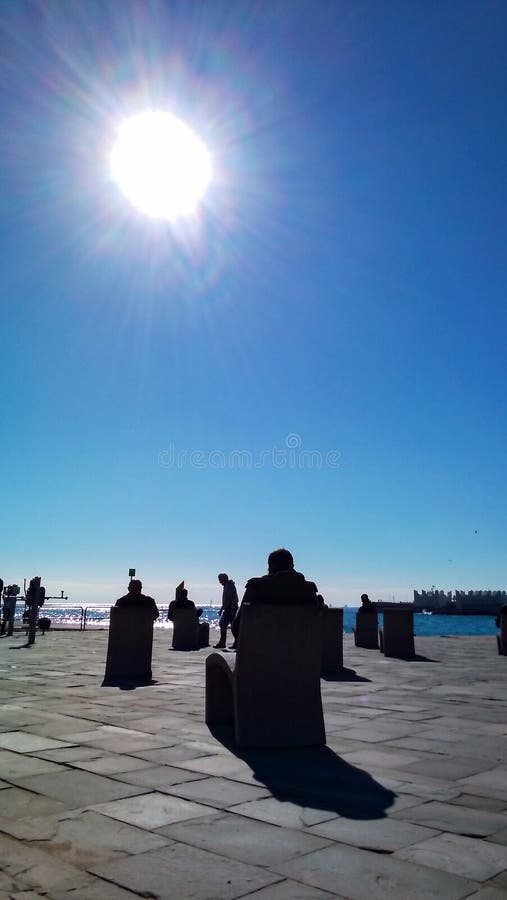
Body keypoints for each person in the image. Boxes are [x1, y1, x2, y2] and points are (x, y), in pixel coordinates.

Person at [229, 548, 324, 647]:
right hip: (302, 656)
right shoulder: (309, 590)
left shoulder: (256, 587)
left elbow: (237, 628)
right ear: (292, 566)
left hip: (260, 654)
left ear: (270, 567)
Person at [214, 573, 239, 648]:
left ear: (223, 579)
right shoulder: (228, 586)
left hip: (230, 608)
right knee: (232, 626)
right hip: (230, 608)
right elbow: (226, 601)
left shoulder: (229, 586)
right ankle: (236, 642)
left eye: (220, 580)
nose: (219, 582)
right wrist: (221, 609)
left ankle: (223, 643)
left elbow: (229, 600)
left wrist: (226, 609)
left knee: (223, 624)